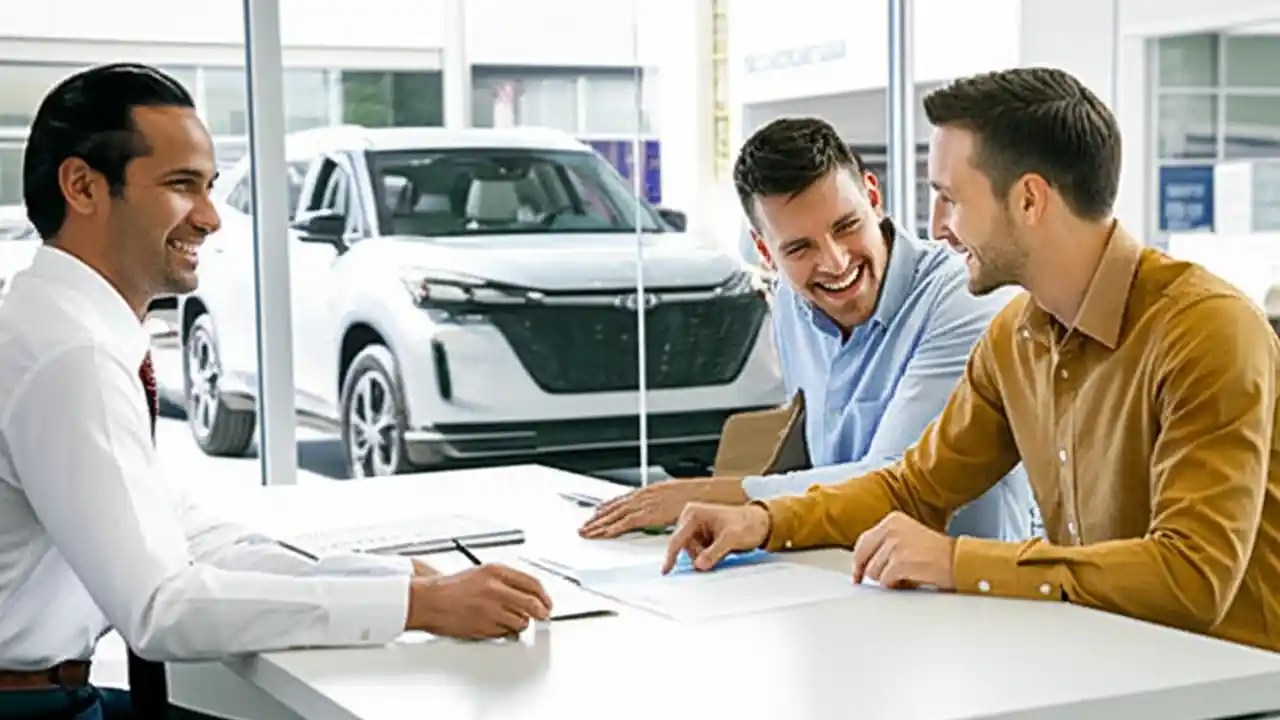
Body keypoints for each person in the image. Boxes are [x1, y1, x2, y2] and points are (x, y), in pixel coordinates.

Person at [660, 67, 1280, 653]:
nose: (936, 224)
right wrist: (765, 522)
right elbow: (914, 488)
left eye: (949, 198)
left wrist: (957, 561)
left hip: (1233, 685)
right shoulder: (1016, 337)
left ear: (1030, 201)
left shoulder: (1206, 329)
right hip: (1101, 665)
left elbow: (1194, 576)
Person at [0, 63, 552, 719]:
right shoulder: (71, 354)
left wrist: (400, 580)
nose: (210, 218)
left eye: (207, 187)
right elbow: (158, 608)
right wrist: (419, 607)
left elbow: (191, 537)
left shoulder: (61, 326)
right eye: (181, 187)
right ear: (83, 187)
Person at [581, 118, 1037, 543]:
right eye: (799, 248)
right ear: (765, 251)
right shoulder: (788, 302)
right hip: (844, 570)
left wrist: (713, 495)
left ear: (873, 198)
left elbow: (898, 481)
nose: (835, 263)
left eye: (847, 226)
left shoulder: (964, 296)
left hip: (965, 593)